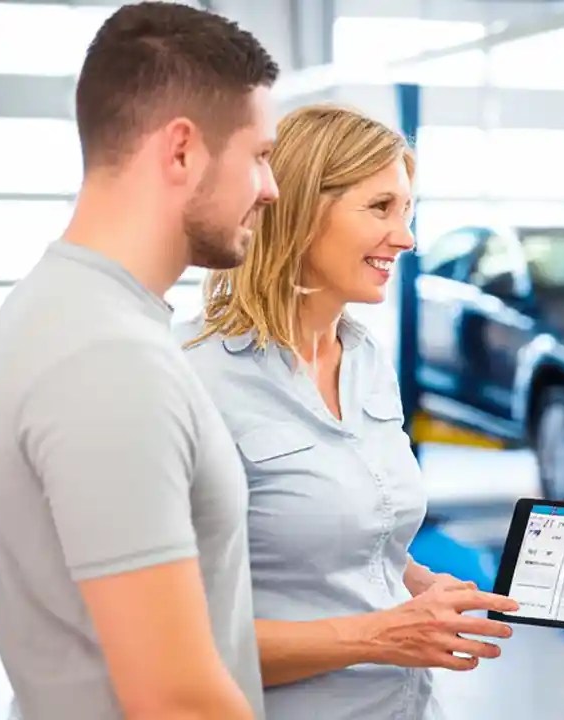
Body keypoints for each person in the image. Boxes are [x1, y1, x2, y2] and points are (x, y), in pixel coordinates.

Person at [0, 3, 280, 718]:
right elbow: (175, 702)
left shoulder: (60, 312)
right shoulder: (109, 359)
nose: (271, 189)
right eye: (260, 155)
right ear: (181, 151)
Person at [178, 103, 520, 720]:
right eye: (380, 208)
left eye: (408, 211)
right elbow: (175, 649)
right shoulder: (190, 376)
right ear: (302, 208)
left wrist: (412, 580)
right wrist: (384, 633)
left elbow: (344, 528)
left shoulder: (365, 358)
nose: (408, 237)